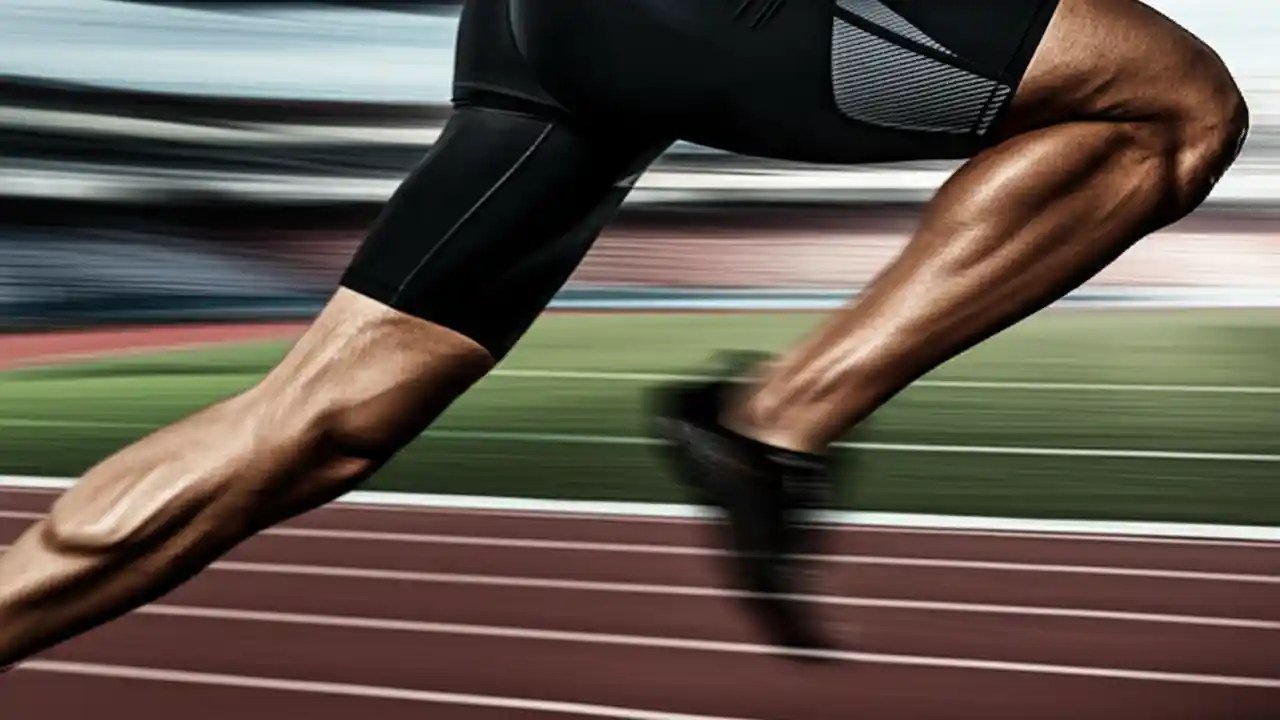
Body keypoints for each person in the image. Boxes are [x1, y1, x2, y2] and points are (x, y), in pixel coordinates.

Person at [0, 0, 1248, 665]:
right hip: (686, 13)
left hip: (533, 32)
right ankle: (776, 418)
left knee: (318, 420)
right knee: (1172, 103)